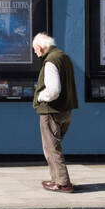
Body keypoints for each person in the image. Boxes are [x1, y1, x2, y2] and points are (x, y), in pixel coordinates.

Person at [32, 32, 78, 192]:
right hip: (66, 110)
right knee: (54, 146)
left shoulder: (50, 61)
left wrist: (40, 97)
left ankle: (63, 183)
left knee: (52, 147)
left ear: (40, 46)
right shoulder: (63, 57)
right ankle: (56, 179)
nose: (35, 53)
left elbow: (54, 90)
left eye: (35, 50)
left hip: (52, 111)